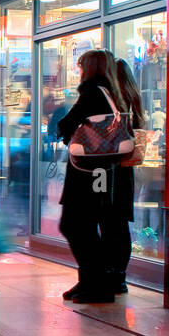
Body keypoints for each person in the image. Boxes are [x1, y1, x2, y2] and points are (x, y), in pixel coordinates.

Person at [54, 49, 125, 304]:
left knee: (75, 225)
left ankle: (97, 285)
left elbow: (66, 123)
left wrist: (62, 131)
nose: (79, 69)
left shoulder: (92, 91)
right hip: (101, 170)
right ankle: (89, 281)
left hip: (86, 172)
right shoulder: (109, 93)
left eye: (81, 65)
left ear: (90, 68)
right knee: (86, 225)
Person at [104, 57, 144, 295]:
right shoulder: (134, 99)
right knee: (119, 222)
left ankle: (112, 273)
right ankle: (120, 275)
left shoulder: (114, 102)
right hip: (125, 169)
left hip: (109, 167)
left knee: (108, 221)